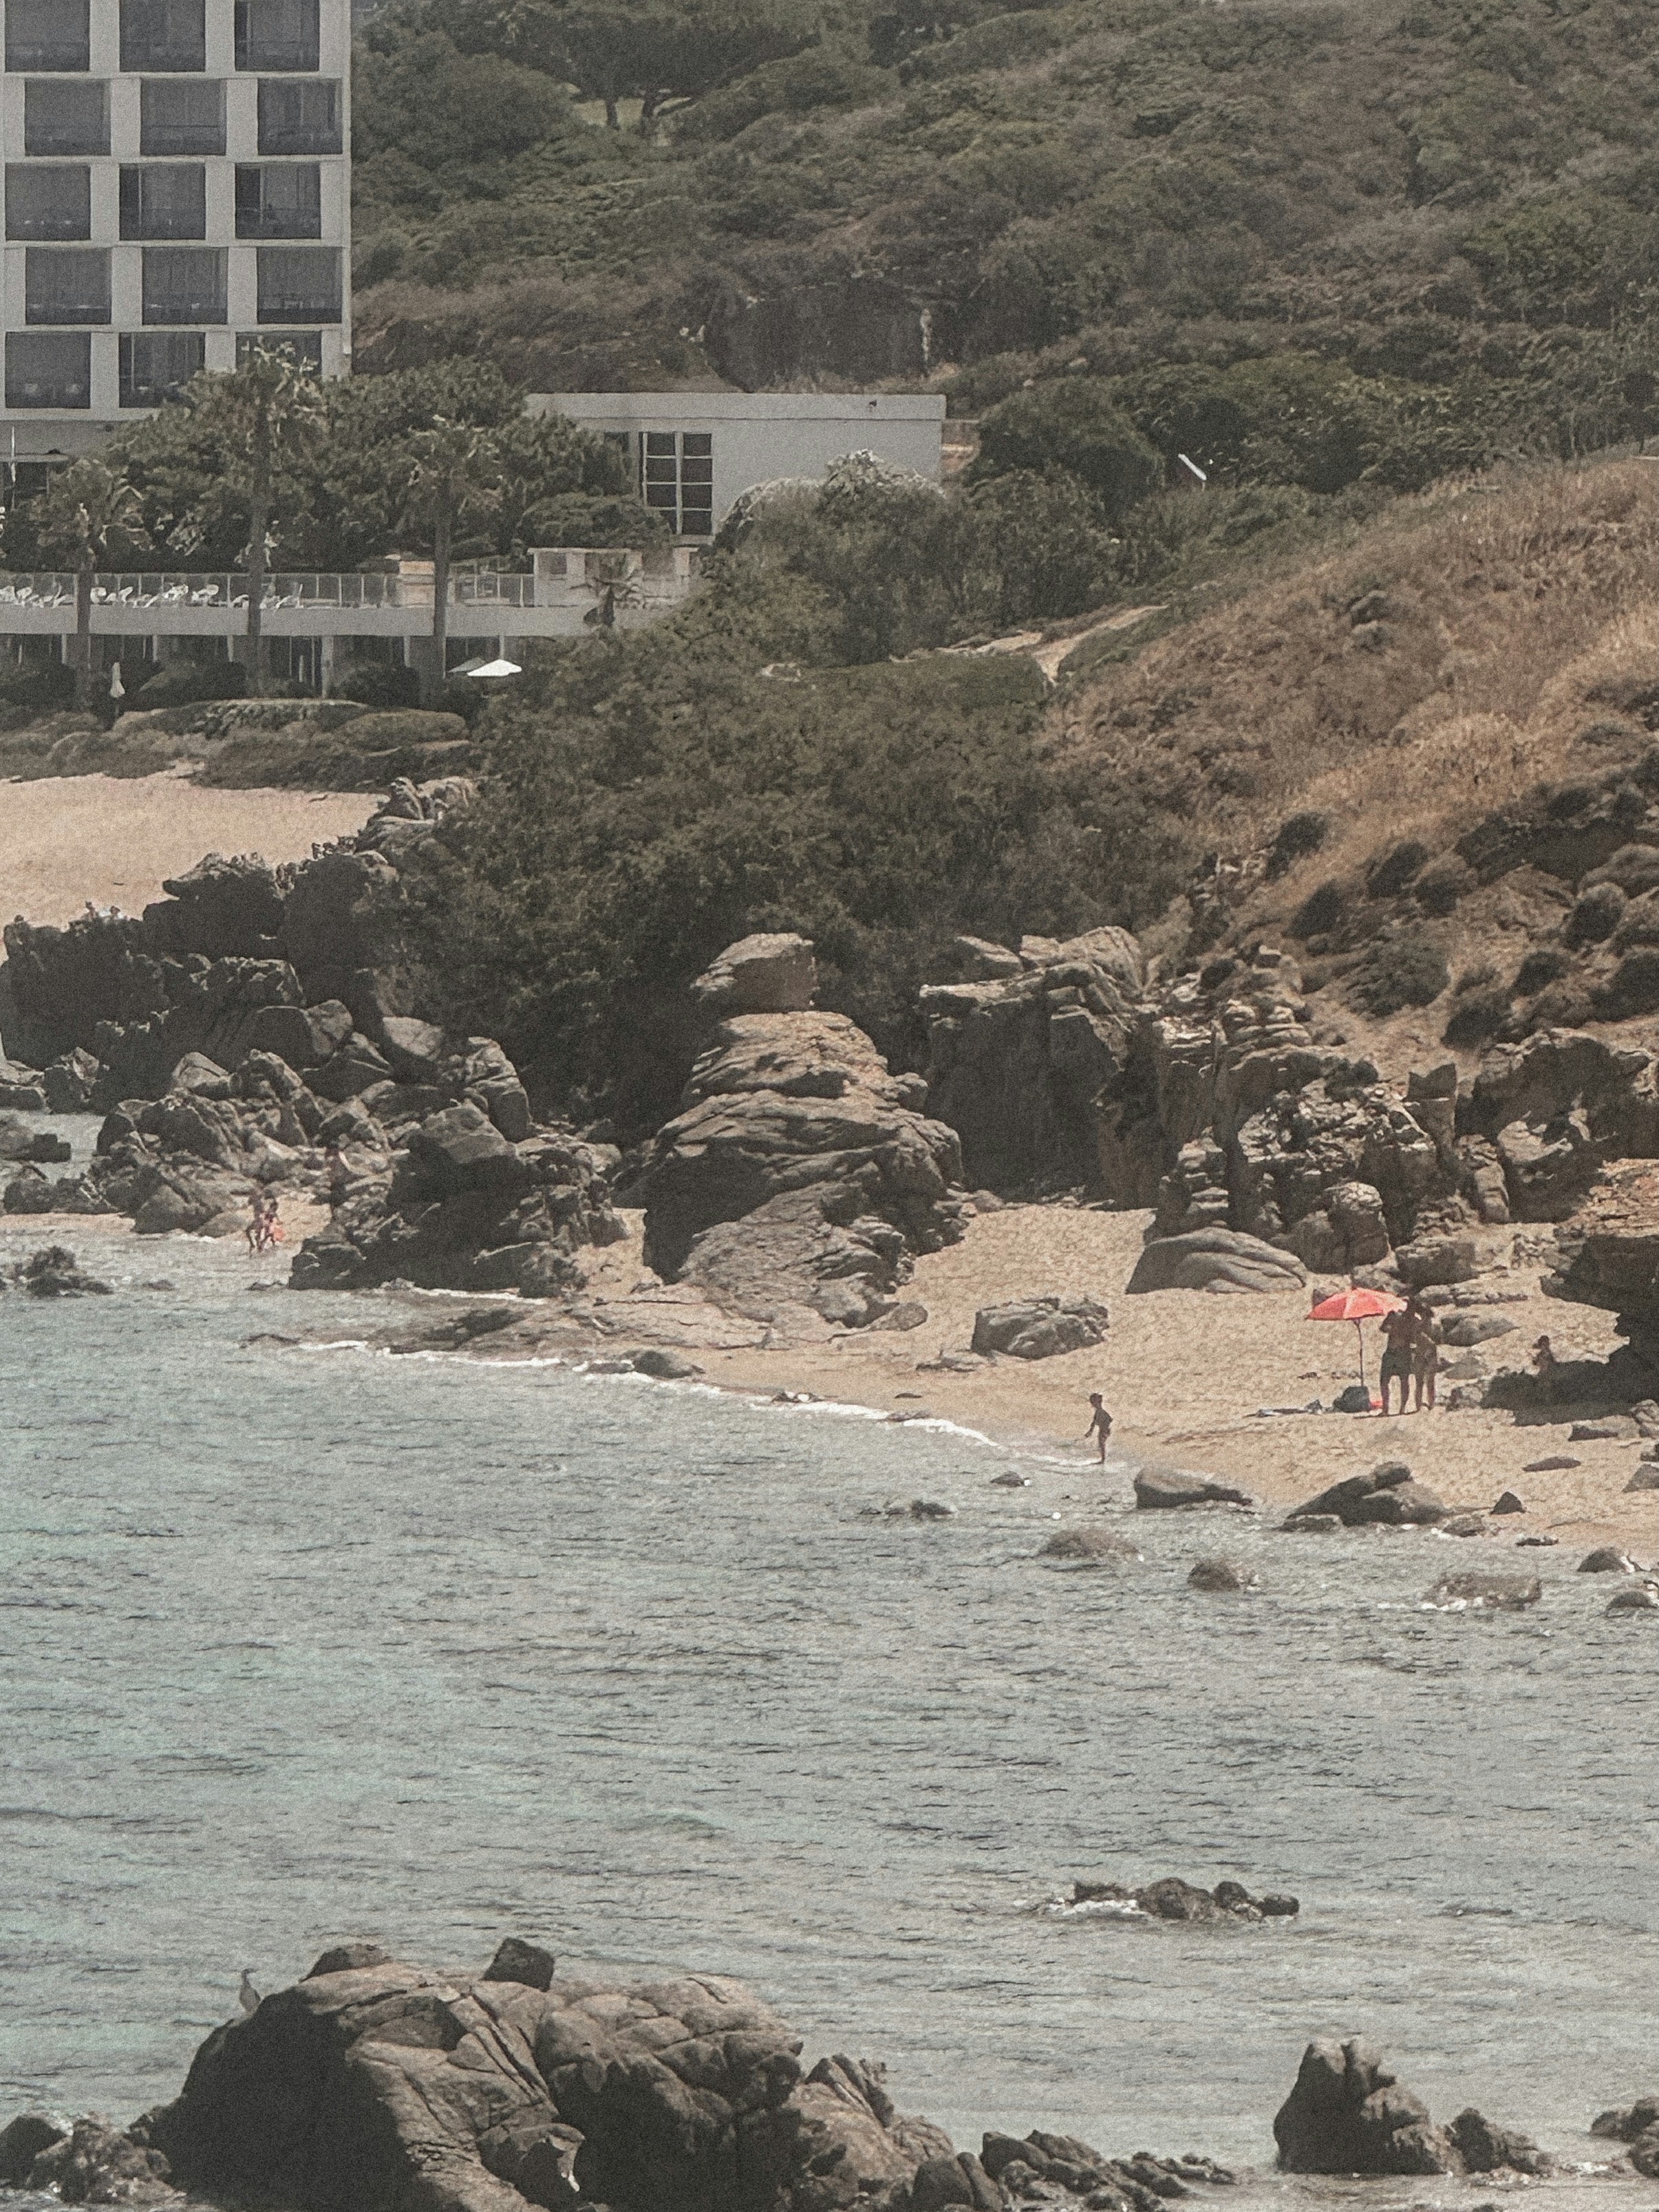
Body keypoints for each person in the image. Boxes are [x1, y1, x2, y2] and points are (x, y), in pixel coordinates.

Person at [1378, 1302, 1415, 1415]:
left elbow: (1414, 1338)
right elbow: (1383, 1329)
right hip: (1393, 1353)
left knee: (1403, 1381)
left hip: (1402, 1353)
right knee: (1385, 1381)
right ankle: (1387, 1409)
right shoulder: (1394, 1316)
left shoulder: (1409, 1321)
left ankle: (1400, 1408)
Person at [1411, 1302, 1441, 1413]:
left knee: (1426, 1382)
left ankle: (1427, 1404)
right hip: (1424, 1354)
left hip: (1426, 1354)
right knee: (1424, 1382)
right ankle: (1425, 1404)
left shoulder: (1425, 1326)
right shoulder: (1422, 1326)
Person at [1083, 1392, 1113, 1461]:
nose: (1092, 1404)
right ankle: (1103, 1459)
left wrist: (1105, 1428)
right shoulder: (1098, 1411)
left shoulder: (1101, 1411)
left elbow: (1109, 1419)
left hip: (1104, 1430)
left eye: (1093, 1402)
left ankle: (1103, 1460)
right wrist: (1090, 1431)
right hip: (1103, 1429)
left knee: (1102, 1444)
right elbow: (1094, 1422)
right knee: (1101, 1444)